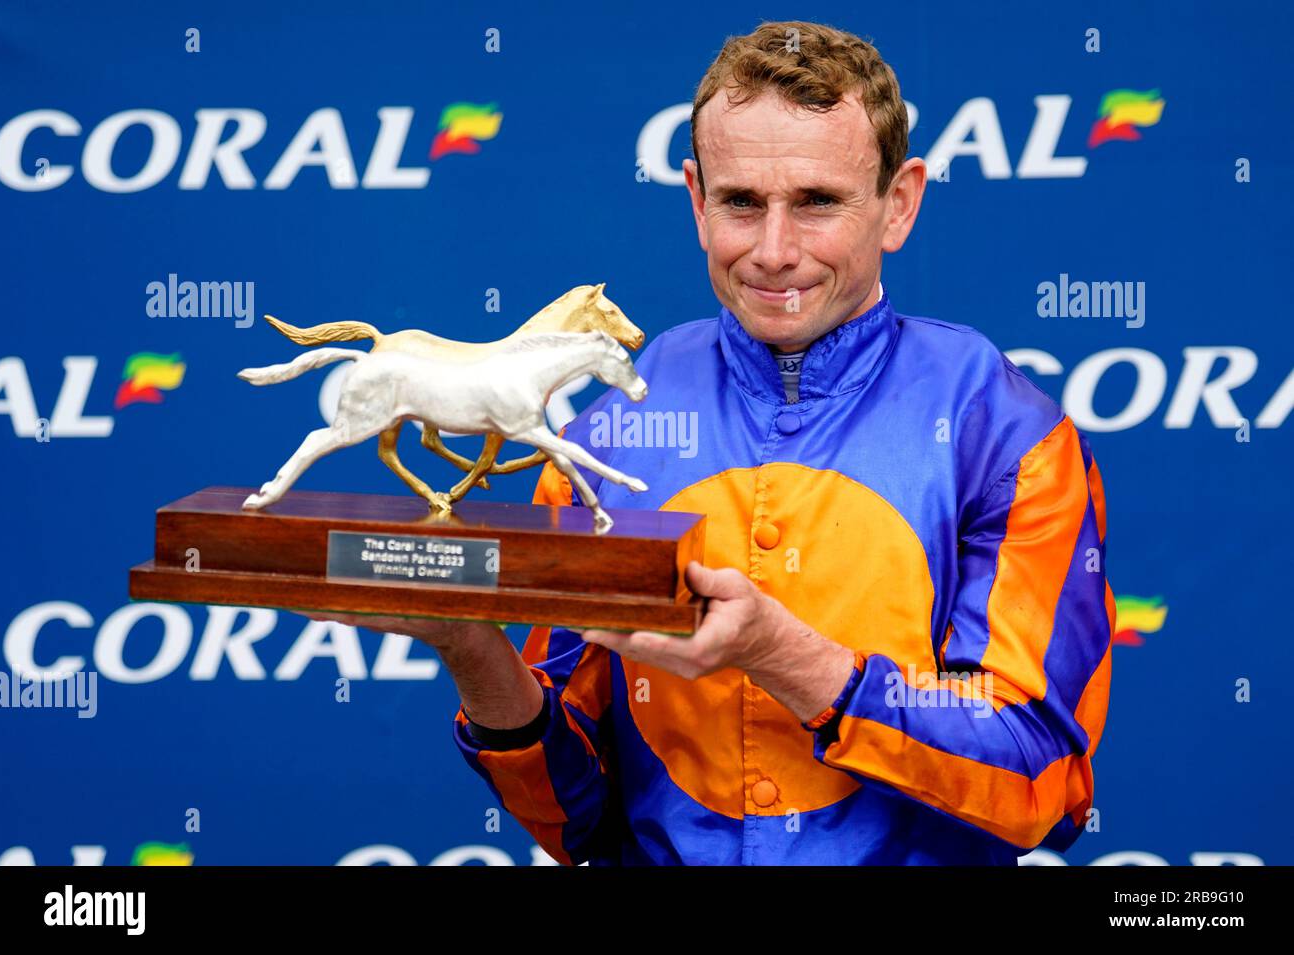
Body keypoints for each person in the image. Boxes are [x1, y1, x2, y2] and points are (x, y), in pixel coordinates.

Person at [322, 20, 1113, 865]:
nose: (774, 252)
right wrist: (472, 645)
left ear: (900, 202)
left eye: (816, 203)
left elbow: (1041, 784)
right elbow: (572, 818)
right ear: (697, 201)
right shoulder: (603, 436)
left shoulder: (1009, 434)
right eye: (741, 202)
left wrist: (789, 657)